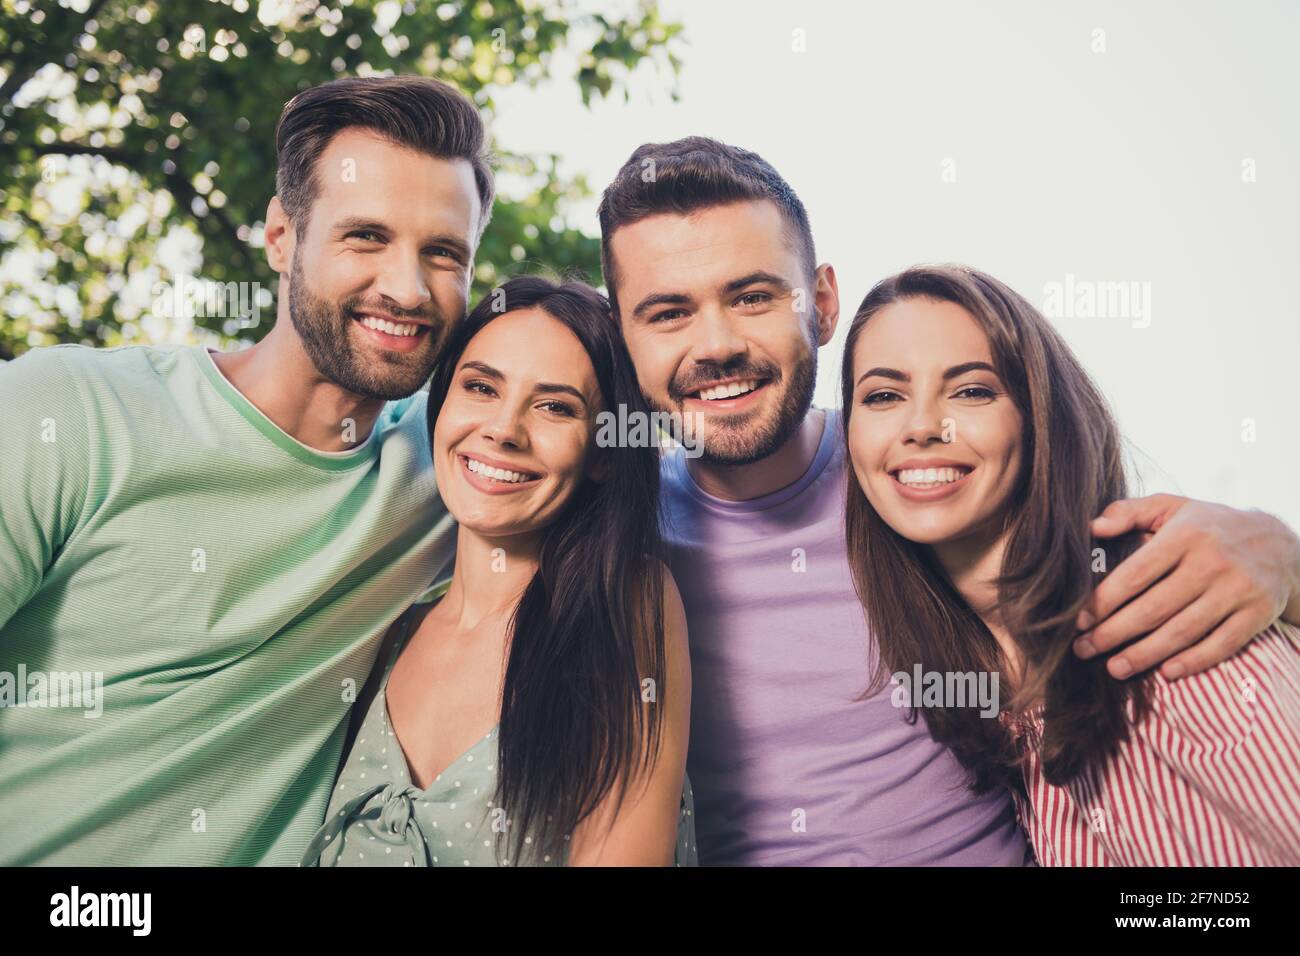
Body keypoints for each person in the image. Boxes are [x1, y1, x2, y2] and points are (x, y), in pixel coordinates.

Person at [595, 136, 1300, 865]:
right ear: (622, 335)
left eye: (751, 297)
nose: (717, 344)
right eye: (668, 313)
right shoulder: (612, 543)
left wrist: (1282, 556)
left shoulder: (920, 480)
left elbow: (1096, 554)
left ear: (823, 301)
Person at [0, 76, 492, 864]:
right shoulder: (67, 412)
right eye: (366, 236)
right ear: (280, 237)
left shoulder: (456, 471)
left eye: (443, 253)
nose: (406, 287)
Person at [840, 264, 1300, 865]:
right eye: (883, 396)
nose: (924, 426)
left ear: (1039, 420)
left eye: (972, 390)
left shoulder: (1167, 614)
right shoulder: (992, 685)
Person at [301, 276, 695, 867]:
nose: (504, 430)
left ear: (604, 454)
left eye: (555, 407)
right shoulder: (390, 635)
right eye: (481, 387)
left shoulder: (627, 600)